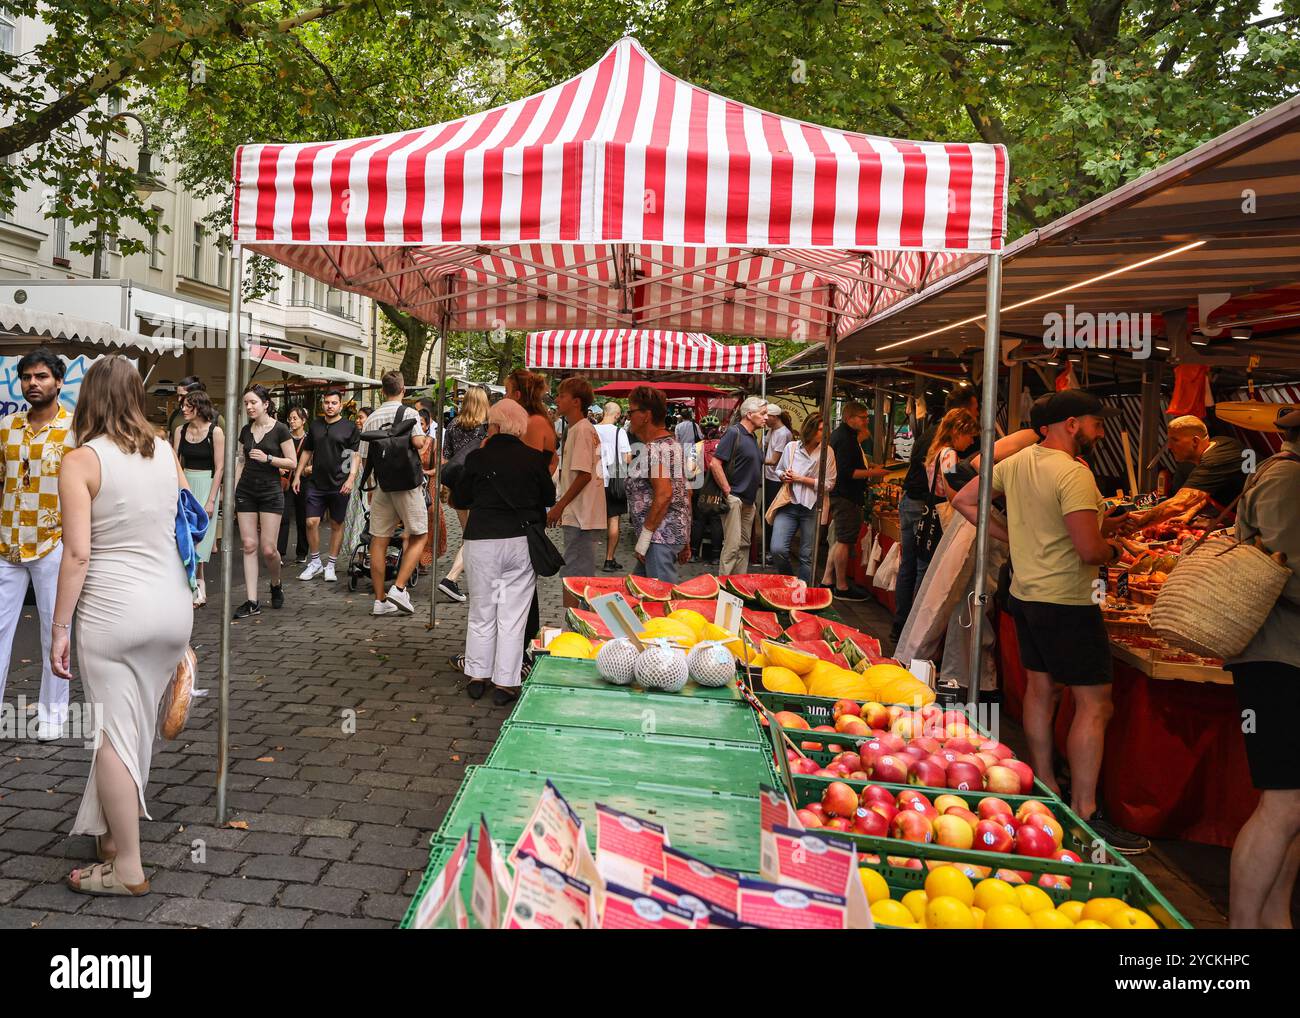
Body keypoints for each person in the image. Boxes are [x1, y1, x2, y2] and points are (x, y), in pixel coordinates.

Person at [952, 389, 1148, 854]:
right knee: (1095, 703)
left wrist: (1015, 539)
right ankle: (1084, 810)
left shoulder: (1019, 463)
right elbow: (1088, 549)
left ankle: (1045, 788)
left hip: (1025, 595)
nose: (1101, 430)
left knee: (1041, 690)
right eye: (1096, 421)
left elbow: (965, 500)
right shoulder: (1075, 474)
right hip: (1067, 600)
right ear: (1072, 424)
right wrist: (1116, 551)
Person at [51, 356, 193, 897]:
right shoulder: (166, 451)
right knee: (134, 731)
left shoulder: (81, 461)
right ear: (136, 395)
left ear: (88, 397)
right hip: (171, 608)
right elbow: (191, 521)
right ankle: (111, 838)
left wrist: (59, 627)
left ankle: (127, 866)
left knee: (113, 733)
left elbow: (78, 555)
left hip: (114, 610)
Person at [1227, 409, 1300, 928]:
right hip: (1278, 657)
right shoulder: (1288, 478)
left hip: (1287, 654)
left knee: (1294, 808)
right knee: (1283, 803)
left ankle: (1273, 917)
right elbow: (1282, 570)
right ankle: (1243, 926)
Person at [448, 399, 555, 707]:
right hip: (520, 541)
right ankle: (506, 683)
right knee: (513, 614)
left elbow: (462, 498)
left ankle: (478, 675)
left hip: (482, 540)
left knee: (482, 611)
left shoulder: (479, 458)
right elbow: (548, 495)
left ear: (494, 426)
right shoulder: (534, 459)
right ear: (520, 428)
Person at [0, 348, 75, 741]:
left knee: (54, 631)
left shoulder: (76, 430)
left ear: (59, 382)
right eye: (27, 377)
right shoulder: (6, 426)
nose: (33, 383)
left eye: (42, 376)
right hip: (7, 544)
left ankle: (53, 713)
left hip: (53, 542)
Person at [894, 382, 978, 636]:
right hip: (937, 513)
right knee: (926, 571)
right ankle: (918, 628)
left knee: (911, 566)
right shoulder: (950, 456)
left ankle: (903, 624)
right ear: (959, 432)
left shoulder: (934, 447)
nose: (972, 440)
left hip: (920, 508)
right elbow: (952, 490)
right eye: (970, 435)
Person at [357, 370, 430, 616]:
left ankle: (380, 601)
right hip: (407, 484)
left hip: (383, 486)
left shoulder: (371, 418)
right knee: (419, 534)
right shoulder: (409, 413)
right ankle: (399, 588)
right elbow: (419, 443)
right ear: (403, 390)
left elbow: (366, 458)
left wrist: (370, 489)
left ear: (381, 391)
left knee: (378, 540)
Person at [232, 385, 297, 619]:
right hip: (246, 491)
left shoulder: (280, 430)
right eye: (246, 403)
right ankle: (252, 601)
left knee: (269, 550)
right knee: (249, 545)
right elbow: (240, 460)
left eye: (253, 403)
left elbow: (292, 462)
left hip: (270, 491)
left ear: (265, 404)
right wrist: (233, 490)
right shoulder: (245, 431)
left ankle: (276, 582)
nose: (249, 407)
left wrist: (269, 458)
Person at [822, 401, 889, 600]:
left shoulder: (844, 436)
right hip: (846, 496)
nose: (866, 421)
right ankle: (842, 586)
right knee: (844, 541)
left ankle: (827, 579)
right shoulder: (845, 438)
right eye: (863, 417)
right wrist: (874, 472)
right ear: (850, 418)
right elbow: (847, 473)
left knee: (839, 539)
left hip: (843, 495)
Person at [1133, 415, 1248, 527]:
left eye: (1174, 440)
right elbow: (1203, 492)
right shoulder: (1222, 442)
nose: (1169, 447)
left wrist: (1137, 524)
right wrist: (1188, 515)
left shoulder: (1214, 462)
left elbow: (1177, 504)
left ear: (1195, 442)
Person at [295, 390, 361, 583]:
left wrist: (351, 479)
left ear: (340, 405)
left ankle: (330, 564)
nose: (329, 406)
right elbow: (307, 451)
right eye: (326, 402)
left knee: (336, 524)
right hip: (316, 483)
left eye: (333, 403)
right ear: (322, 404)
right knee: (311, 522)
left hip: (340, 483)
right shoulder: (315, 425)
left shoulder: (349, 427)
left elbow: (354, 455)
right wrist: (297, 475)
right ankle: (315, 562)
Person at [626, 385, 690, 583]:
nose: (629, 417)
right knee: (637, 591)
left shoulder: (654, 450)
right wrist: (685, 538)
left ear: (646, 415)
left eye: (631, 411)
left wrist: (644, 539)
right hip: (665, 536)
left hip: (658, 539)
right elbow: (686, 492)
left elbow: (665, 494)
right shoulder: (673, 444)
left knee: (662, 601)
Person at [548, 376, 607, 578]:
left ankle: (575, 611)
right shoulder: (577, 428)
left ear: (576, 402)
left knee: (575, 575)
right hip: (582, 513)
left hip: (582, 515)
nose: (556, 400)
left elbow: (584, 475)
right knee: (574, 572)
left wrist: (559, 506)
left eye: (561, 396)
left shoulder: (581, 429)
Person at [172, 388, 224, 608]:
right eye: (183, 405)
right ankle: (196, 586)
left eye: (187, 406)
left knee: (200, 540)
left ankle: (198, 585)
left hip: (207, 484)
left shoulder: (216, 432)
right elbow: (175, 463)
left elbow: (220, 467)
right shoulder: (179, 430)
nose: (182, 409)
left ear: (199, 408)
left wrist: (212, 500)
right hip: (185, 484)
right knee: (185, 536)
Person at [437, 385, 490, 603]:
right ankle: (452, 577)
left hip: (458, 484)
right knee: (474, 535)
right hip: (479, 485)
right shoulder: (486, 427)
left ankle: (468, 576)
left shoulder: (452, 424)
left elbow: (445, 459)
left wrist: (447, 486)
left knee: (468, 532)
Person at [770, 412, 835, 583]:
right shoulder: (791, 447)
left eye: (825, 430)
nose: (824, 433)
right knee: (777, 549)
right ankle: (791, 581)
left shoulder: (827, 452)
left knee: (807, 556)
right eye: (820, 430)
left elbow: (829, 484)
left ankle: (804, 593)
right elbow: (778, 469)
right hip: (788, 504)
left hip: (813, 508)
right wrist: (783, 475)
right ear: (810, 429)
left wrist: (801, 479)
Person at [711, 396, 767, 576]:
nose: (766, 417)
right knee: (732, 546)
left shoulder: (751, 436)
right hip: (735, 499)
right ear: (749, 414)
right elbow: (715, 463)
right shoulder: (734, 433)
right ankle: (722, 588)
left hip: (748, 502)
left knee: (744, 545)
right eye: (763, 413)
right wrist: (728, 492)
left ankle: (737, 587)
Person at [594, 402, 630, 572]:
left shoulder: (592, 429)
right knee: (614, 520)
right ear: (617, 415)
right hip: (613, 481)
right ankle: (609, 559)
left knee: (591, 520)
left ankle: (587, 557)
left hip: (593, 481)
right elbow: (627, 458)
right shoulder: (619, 432)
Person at [338, 406, 373, 571]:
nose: (358, 420)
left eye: (361, 417)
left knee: (364, 517)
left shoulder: (371, 438)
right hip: (357, 482)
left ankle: (366, 556)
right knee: (355, 518)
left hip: (369, 483)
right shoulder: (355, 437)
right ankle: (359, 557)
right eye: (357, 418)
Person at [277, 405, 310, 564]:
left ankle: (302, 552)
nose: (291, 421)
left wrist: (306, 469)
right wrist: (279, 467)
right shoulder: (285, 438)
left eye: (295, 418)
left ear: (303, 420)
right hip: (286, 482)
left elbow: (316, 461)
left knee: (302, 516)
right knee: (283, 516)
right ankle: (279, 552)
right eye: (290, 419)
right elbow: (277, 457)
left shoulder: (309, 439)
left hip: (304, 482)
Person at [688, 416, 724, 563]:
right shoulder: (722, 445)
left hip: (699, 484)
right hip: (716, 485)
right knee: (716, 519)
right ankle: (716, 556)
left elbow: (689, 469)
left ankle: (694, 554)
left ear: (702, 430)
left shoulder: (696, 446)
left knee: (699, 519)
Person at [925, 408, 980, 502]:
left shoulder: (938, 450)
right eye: (970, 436)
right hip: (948, 512)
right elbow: (952, 493)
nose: (972, 442)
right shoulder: (949, 455)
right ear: (957, 431)